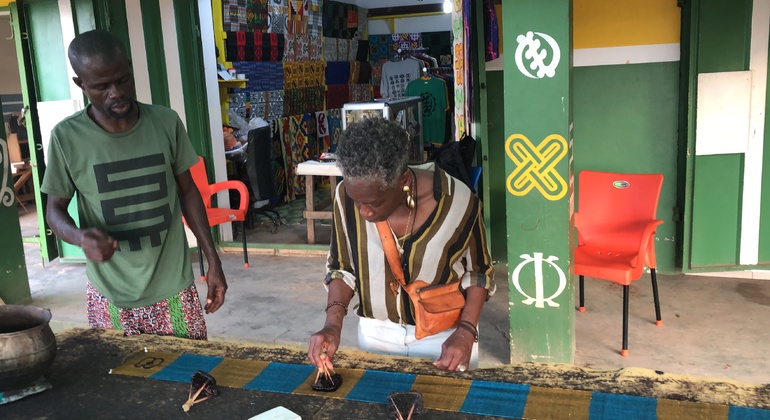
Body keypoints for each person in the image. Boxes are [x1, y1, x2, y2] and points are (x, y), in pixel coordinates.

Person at [41, 29, 226, 340]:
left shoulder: (166, 123)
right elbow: (54, 209)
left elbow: (188, 191)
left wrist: (212, 258)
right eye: (101, 86)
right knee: (121, 384)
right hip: (109, 295)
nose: (116, 92)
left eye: (123, 79)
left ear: (129, 67)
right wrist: (78, 237)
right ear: (81, 85)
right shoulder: (66, 138)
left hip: (173, 290)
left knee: (193, 381)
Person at [308, 117, 496, 373]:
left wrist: (466, 332)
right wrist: (332, 325)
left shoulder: (459, 201)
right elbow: (342, 268)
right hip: (375, 334)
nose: (364, 212)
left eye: (374, 202)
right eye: (357, 201)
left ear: (403, 180)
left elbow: (478, 273)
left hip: (445, 339)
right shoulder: (344, 197)